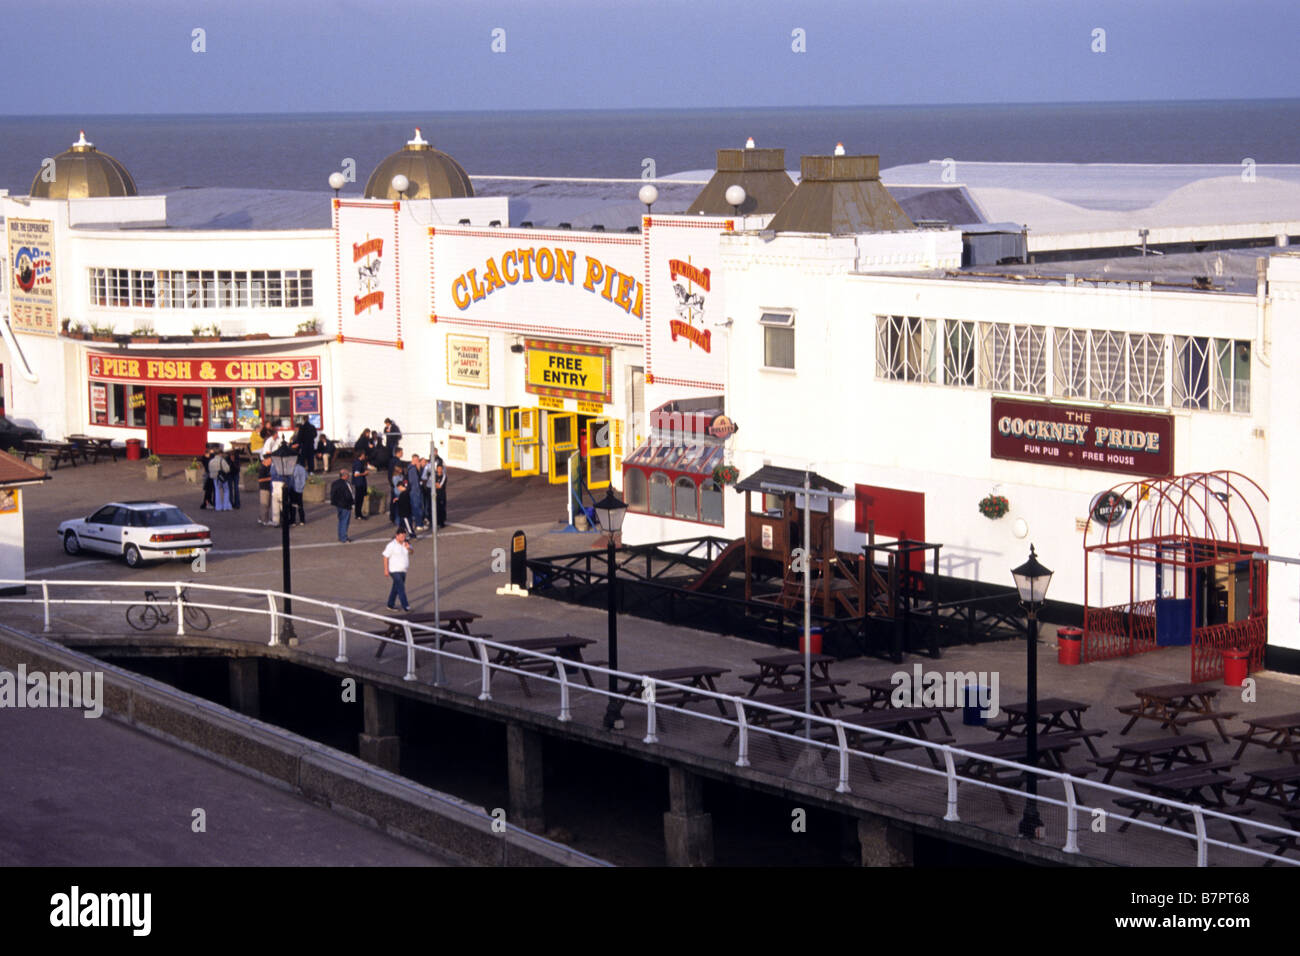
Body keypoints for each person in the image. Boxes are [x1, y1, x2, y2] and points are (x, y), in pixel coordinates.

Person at [382, 529, 413, 612]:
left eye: (404, 536)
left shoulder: (406, 543)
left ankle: (390, 604)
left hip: (403, 570)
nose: (403, 538)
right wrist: (386, 569)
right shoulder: (391, 545)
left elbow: (412, 552)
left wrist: (408, 548)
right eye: (402, 536)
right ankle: (406, 606)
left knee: (395, 588)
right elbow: (385, 557)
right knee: (401, 588)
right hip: (394, 570)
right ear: (397, 536)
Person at [330, 467, 355, 543]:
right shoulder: (346, 484)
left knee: (341, 521)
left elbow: (333, 494)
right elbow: (349, 495)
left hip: (339, 505)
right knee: (345, 521)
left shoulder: (335, 483)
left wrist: (335, 502)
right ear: (345, 475)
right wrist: (352, 502)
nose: (348, 476)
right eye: (347, 474)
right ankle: (343, 537)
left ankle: (340, 536)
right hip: (346, 505)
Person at [406, 455, 425, 529]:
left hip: (414, 491)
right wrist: (418, 491)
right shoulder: (413, 469)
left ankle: (417, 523)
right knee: (417, 507)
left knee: (415, 507)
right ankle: (419, 524)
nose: (419, 463)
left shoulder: (411, 468)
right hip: (415, 491)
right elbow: (414, 482)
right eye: (417, 461)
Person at [351, 451, 370, 520]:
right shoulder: (358, 463)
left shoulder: (357, 462)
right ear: (361, 455)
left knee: (358, 499)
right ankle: (358, 514)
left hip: (358, 483)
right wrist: (364, 473)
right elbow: (356, 474)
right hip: (359, 483)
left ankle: (358, 513)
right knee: (359, 499)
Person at [290, 457, 308, 525]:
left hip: (293, 488)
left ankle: (293, 521)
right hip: (300, 489)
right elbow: (306, 476)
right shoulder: (302, 468)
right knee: (300, 505)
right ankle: (302, 520)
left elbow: (290, 479)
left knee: (293, 505)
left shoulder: (292, 468)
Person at [256, 453, 274, 525]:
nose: (271, 461)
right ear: (266, 460)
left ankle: (261, 518)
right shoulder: (262, 468)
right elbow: (260, 480)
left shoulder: (269, 467)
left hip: (268, 488)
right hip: (264, 488)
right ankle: (264, 520)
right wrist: (269, 478)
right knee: (264, 504)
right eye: (270, 460)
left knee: (267, 504)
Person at [434, 460, 448, 529]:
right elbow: (431, 484)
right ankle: (437, 522)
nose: (439, 470)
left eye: (440, 468)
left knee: (442, 508)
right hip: (435, 495)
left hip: (442, 494)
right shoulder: (434, 475)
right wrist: (436, 484)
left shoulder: (444, 476)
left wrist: (435, 484)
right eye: (438, 468)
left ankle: (442, 522)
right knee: (436, 508)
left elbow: (440, 486)